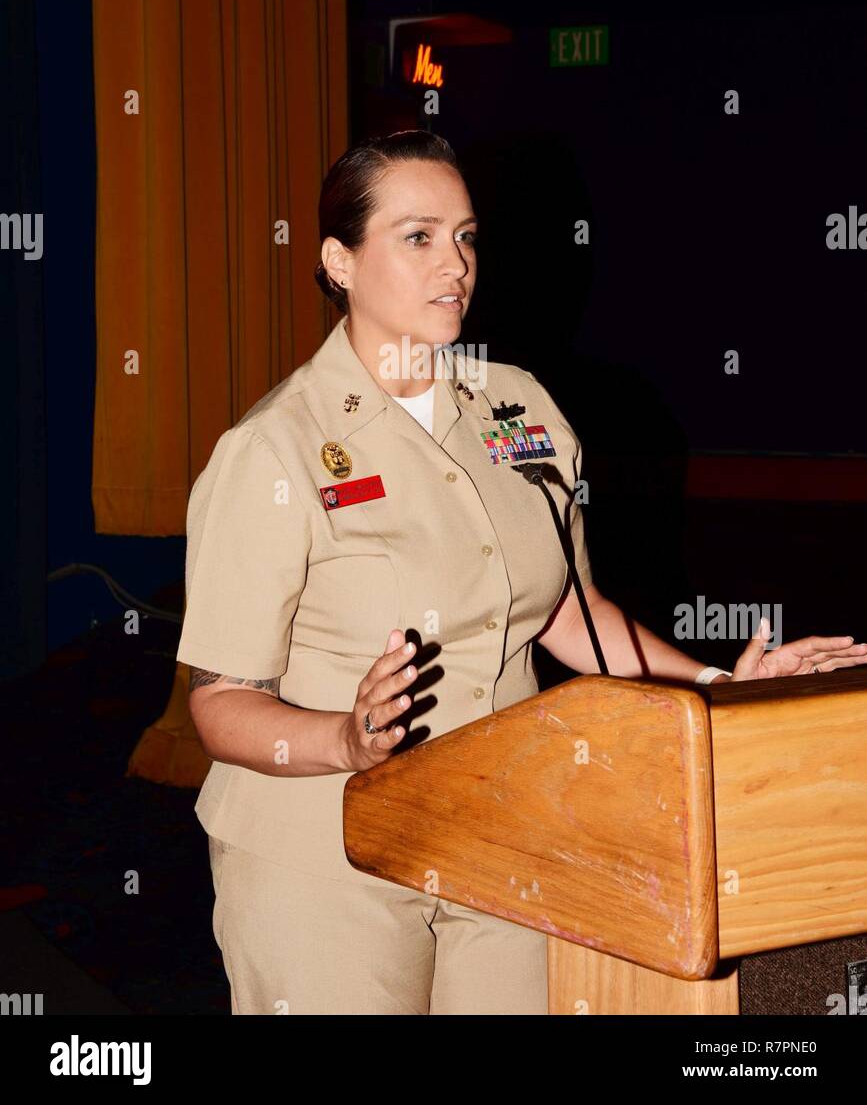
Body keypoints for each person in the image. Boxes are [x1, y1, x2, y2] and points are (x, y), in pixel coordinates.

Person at [176, 129, 866, 1015]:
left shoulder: (517, 404)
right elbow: (219, 702)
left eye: (465, 237)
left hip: (502, 835)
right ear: (337, 261)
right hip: (323, 855)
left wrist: (720, 685)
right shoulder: (273, 449)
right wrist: (344, 741)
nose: (454, 263)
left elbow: (567, 616)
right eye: (417, 237)